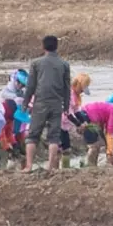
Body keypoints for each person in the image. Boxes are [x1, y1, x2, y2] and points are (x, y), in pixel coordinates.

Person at [23, 35, 72, 172]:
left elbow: (30, 86)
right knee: (54, 137)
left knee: (33, 135)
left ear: (43, 47)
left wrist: (25, 103)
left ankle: (28, 166)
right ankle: (50, 167)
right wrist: (66, 106)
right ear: (56, 47)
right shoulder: (64, 64)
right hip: (56, 104)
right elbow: (66, 88)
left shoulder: (36, 63)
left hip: (40, 103)